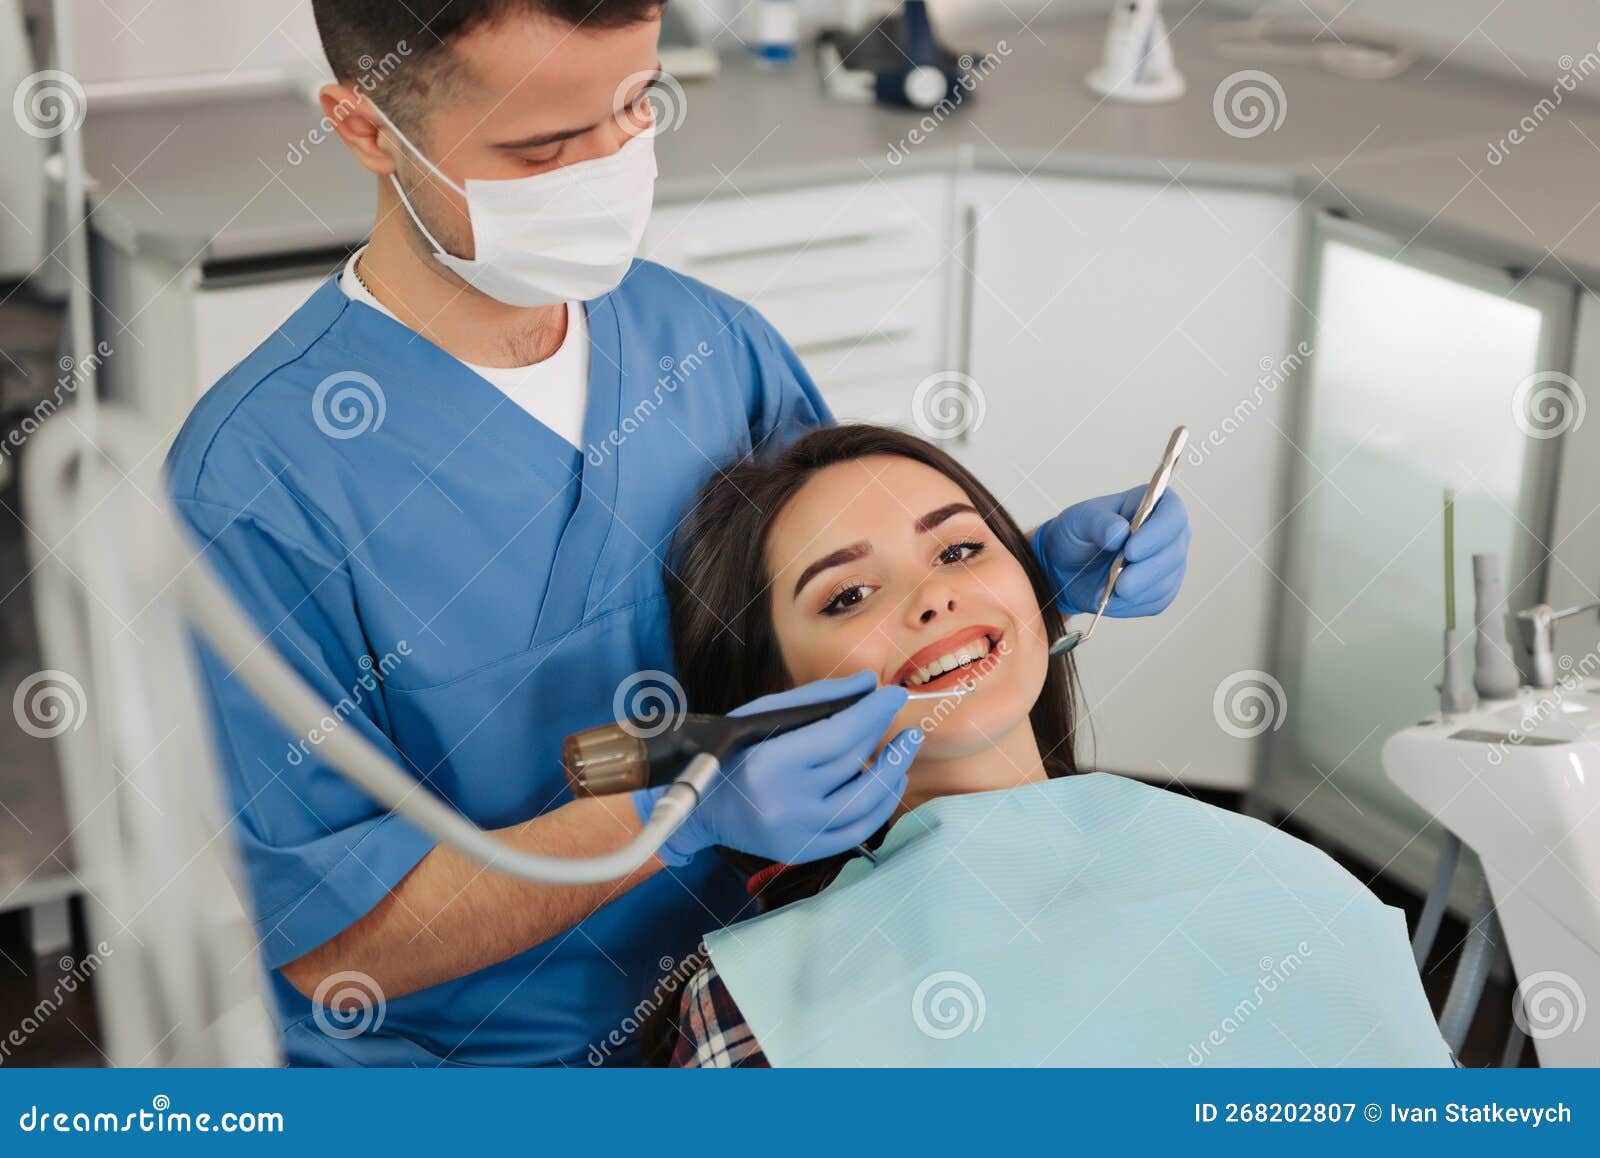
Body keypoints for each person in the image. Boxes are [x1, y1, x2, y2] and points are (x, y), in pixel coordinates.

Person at [165, 0, 1191, 1067]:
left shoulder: (706, 347)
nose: (610, 168)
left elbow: (841, 631)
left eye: (634, 106)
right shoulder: (257, 490)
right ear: (366, 128)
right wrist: (675, 820)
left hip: (778, 983)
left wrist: (1021, 583)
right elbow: (335, 950)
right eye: (544, 148)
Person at [640, 426, 1447, 1069]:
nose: (935, 597)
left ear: (1036, 586)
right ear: (772, 701)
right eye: (848, 595)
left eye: (960, 550)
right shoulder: (764, 1009)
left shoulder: (1287, 882)